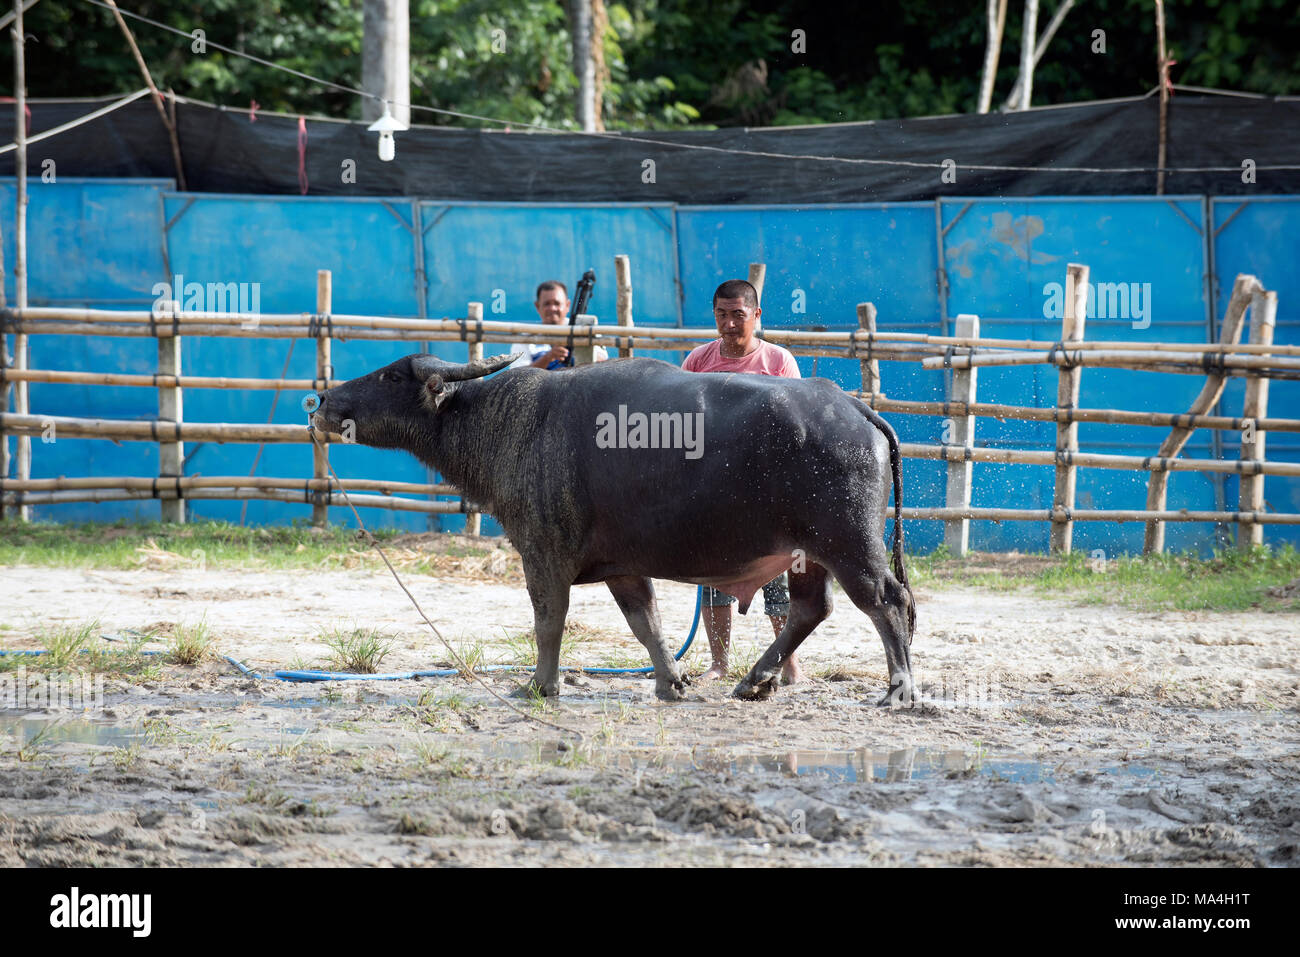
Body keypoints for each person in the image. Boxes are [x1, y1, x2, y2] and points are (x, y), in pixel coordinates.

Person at [682, 278, 803, 686]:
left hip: (768, 491)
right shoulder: (698, 361)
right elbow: (682, 423)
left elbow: (795, 428)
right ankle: (719, 663)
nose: (730, 324)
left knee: (778, 576)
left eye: (738, 315)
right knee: (714, 576)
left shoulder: (778, 363)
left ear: (756, 315)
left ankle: (789, 664)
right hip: (713, 489)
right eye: (722, 315)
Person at [512, 280, 607, 369]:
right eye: (547, 304)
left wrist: (577, 348)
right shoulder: (525, 337)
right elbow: (516, 376)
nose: (552, 308)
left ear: (567, 305)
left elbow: (604, 362)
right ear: (537, 306)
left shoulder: (583, 329)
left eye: (557, 303)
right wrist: (548, 358)